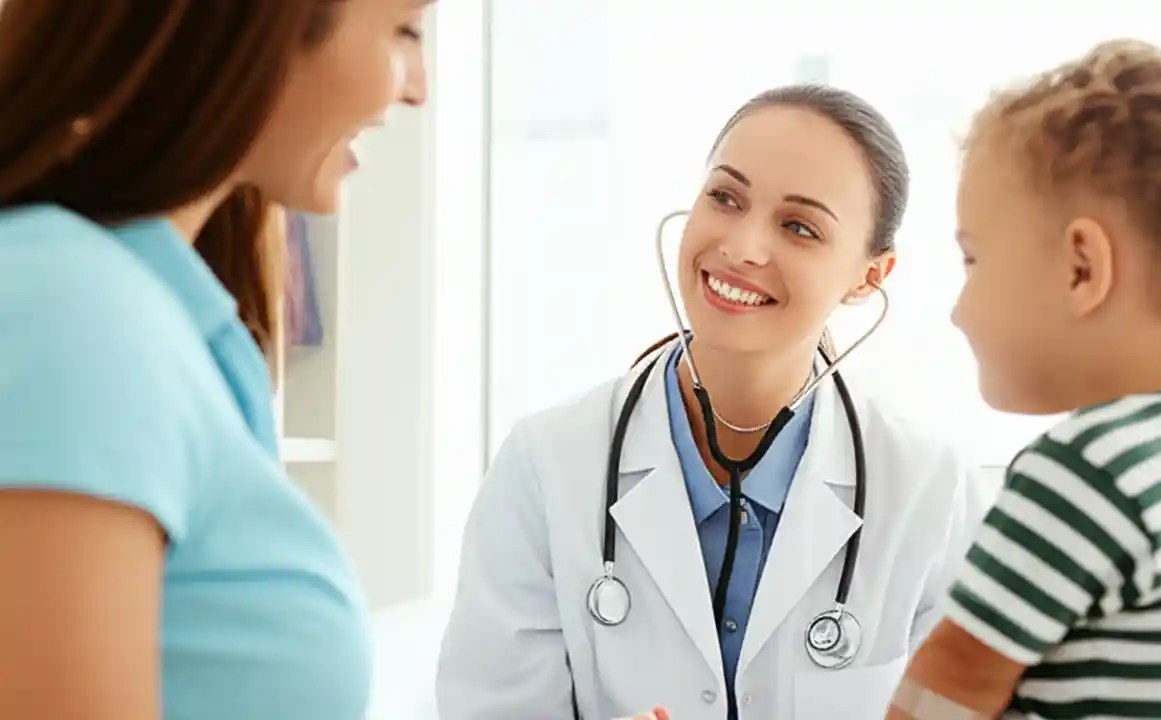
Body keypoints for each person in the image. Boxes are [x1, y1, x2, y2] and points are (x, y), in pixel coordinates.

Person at [437, 84, 993, 720]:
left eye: (799, 227)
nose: (742, 246)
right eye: (726, 197)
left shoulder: (931, 492)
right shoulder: (547, 466)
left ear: (870, 276)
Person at [0, 1, 427, 718]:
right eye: (405, 31)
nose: (419, 86)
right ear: (263, 27)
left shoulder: (156, 316)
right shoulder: (72, 312)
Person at [890, 39, 1161, 719]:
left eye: (973, 259)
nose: (958, 308)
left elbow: (948, 687)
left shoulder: (1087, 473)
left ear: (1080, 268)